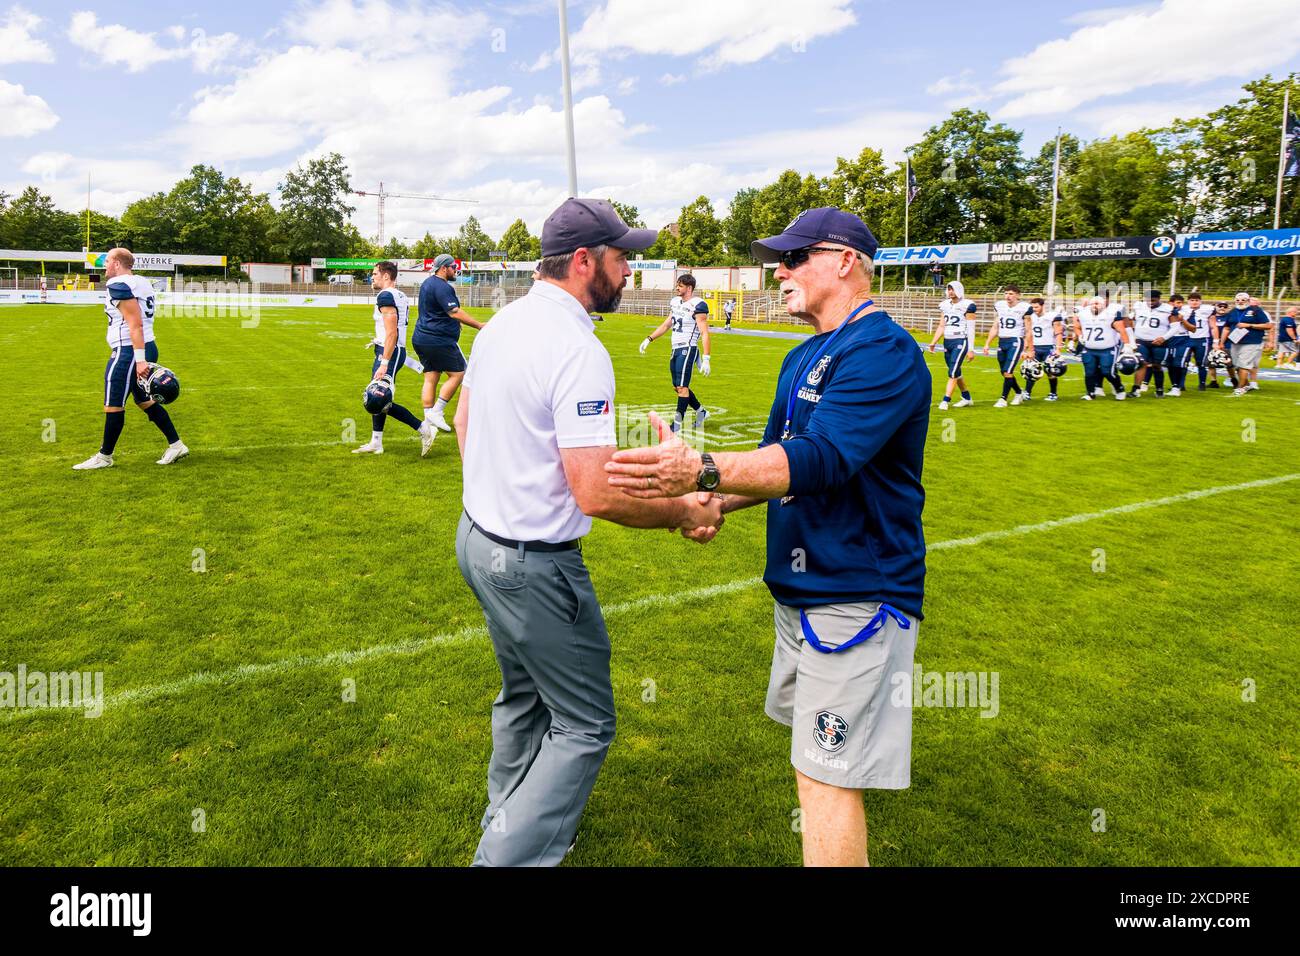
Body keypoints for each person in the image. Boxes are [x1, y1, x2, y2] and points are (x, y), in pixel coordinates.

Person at [606, 207, 930, 867]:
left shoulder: (885, 352)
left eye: (794, 257)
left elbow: (824, 459)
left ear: (846, 262)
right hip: (800, 593)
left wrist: (697, 466)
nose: (777, 271)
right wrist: (704, 502)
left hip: (857, 595)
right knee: (812, 763)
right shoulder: (801, 354)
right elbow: (775, 464)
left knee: (826, 779)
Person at [454, 198, 724, 867]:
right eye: (622, 256)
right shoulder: (576, 346)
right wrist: (685, 510)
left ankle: (507, 818)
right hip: (533, 565)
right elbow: (595, 489)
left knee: (524, 696)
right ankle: (506, 856)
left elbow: (464, 424)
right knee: (584, 723)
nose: (630, 271)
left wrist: (503, 491)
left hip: (478, 540)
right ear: (583, 261)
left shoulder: (502, 325)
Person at [73, 248, 188, 470]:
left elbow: (134, 323)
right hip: (146, 346)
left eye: (107, 261)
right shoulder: (141, 282)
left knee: (114, 404)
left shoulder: (118, 284)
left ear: (117, 263)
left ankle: (104, 457)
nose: (104, 266)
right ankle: (176, 445)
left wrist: (140, 359)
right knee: (144, 400)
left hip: (129, 350)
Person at [353, 262, 435, 456]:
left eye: (375, 274)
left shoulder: (385, 295)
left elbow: (392, 333)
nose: (371, 277)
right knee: (378, 396)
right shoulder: (399, 295)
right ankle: (376, 442)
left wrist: (384, 362)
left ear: (386, 276)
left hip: (390, 349)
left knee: (376, 397)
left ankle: (424, 429)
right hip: (391, 349)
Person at [414, 254, 484, 435]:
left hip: (421, 338)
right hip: (438, 339)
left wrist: (453, 322)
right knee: (460, 373)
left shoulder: (427, 284)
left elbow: (435, 310)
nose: (456, 270)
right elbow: (453, 311)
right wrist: (478, 325)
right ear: (443, 268)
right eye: (453, 266)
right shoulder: (442, 286)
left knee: (431, 377)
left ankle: (428, 420)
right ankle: (437, 411)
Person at [639, 273, 712, 432]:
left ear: (689, 287)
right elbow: (666, 325)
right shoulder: (675, 302)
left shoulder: (698, 305)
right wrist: (649, 339)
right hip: (676, 348)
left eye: (680, 285)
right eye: (677, 284)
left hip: (687, 347)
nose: (677, 288)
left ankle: (677, 425)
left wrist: (706, 358)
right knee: (677, 387)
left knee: (682, 387)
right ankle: (701, 412)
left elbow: (705, 333)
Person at [926, 279, 977, 410]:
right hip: (947, 341)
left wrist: (971, 349)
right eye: (948, 289)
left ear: (959, 289)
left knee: (953, 372)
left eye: (952, 289)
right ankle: (966, 397)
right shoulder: (945, 305)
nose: (950, 292)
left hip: (961, 340)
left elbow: (971, 328)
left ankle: (946, 400)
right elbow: (942, 325)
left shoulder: (968, 305)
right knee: (956, 372)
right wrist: (933, 342)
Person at [982, 284, 1031, 407]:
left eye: (1011, 294)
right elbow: (995, 326)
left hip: (1016, 340)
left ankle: (1003, 399)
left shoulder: (1024, 308)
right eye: (1006, 293)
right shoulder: (1000, 306)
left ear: (1017, 295)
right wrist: (987, 343)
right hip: (1002, 340)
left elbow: (1029, 330)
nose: (1008, 296)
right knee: (1004, 371)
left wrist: (1027, 346)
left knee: (1008, 371)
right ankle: (1019, 393)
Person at [1073, 296, 1129, 401]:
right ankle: (1090, 393)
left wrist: (1127, 345)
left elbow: (1122, 330)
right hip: (1089, 348)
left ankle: (1119, 388)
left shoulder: (1111, 315)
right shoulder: (1083, 314)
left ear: (1103, 305)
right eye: (1093, 303)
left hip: (1107, 349)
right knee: (1089, 372)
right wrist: (1080, 336)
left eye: (1097, 303)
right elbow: (1076, 325)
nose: (1095, 306)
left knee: (1107, 372)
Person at [1217, 292, 1272, 396]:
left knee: (1243, 365)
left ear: (1248, 300)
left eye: (1243, 300)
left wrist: (1249, 325)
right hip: (1235, 341)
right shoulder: (1233, 311)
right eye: (1238, 300)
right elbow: (1226, 328)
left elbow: (1268, 325)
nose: (1240, 302)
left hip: (1252, 342)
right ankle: (1246, 385)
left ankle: (1240, 388)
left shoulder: (1256, 310)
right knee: (1237, 366)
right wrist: (1221, 342)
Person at [1025, 297, 1065, 401]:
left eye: (1036, 307)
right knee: (1031, 370)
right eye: (1032, 307)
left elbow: (1058, 333)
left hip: (1048, 347)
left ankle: (1053, 393)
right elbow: (1028, 333)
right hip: (1035, 347)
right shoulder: (1030, 317)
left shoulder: (1052, 316)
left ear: (1042, 306)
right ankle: (1027, 393)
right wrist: (1027, 348)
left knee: (1050, 371)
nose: (1034, 309)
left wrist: (1058, 349)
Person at [1160, 293, 1195, 397]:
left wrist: (1182, 320)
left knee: (1178, 363)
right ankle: (1174, 386)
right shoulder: (1164, 312)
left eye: (1181, 303)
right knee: (1170, 364)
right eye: (1178, 302)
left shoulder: (1187, 313)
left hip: (1182, 339)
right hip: (1168, 339)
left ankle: (1177, 387)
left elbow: (1193, 328)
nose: (1180, 305)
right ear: (1170, 303)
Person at [1185, 292, 1219, 389]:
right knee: (1184, 362)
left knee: (1201, 363)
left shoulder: (1208, 310)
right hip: (1187, 339)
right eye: (1192, 300)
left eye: (1197, 300)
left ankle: (1202, 384)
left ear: (1200, 301)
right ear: (1188, 301)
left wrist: (1216, 341)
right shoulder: (1183, 310)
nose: (1194, 302)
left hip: (1202, 339)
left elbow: (1213, 326)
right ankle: (1180, 385)